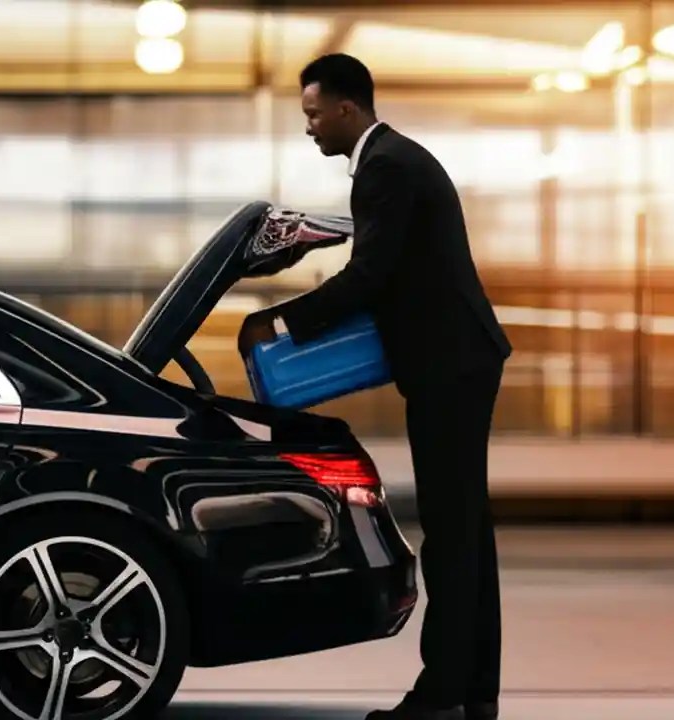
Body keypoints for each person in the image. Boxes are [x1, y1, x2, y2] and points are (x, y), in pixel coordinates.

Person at [241, 54, 513, 720]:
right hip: (459, 360)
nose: (308, 129)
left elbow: (371, 276)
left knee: (451, 535)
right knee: (467, 532)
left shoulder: (386, 167)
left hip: (450, 365)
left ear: (346, 109)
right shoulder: (395, 160)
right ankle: (473, 693)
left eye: (312, 114)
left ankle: (441, 695)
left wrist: (281, 320)